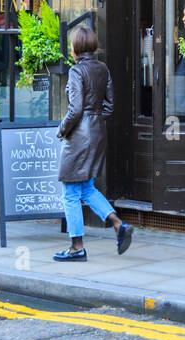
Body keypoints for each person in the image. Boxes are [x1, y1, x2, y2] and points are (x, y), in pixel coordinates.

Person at [53, 26, 133, 261]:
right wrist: (94, 121)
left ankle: (77, 248)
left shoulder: (77, 71)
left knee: (69, 191)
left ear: (76, 47)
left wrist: (62, 129)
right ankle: (119, 225)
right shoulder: (102, 68)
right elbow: (109, 106)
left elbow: (76, 109)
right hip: (97, 131)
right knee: (86, 187)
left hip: (79, 135)